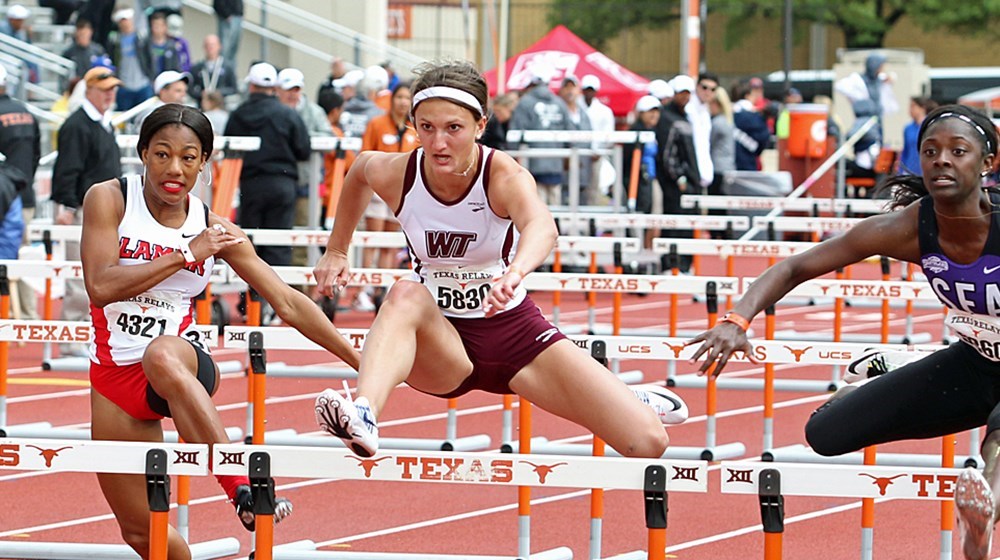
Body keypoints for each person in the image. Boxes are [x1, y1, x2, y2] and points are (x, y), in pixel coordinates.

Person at [311, 60, 688, 460]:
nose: (438, 143)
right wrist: (337, 249)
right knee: (405, 292)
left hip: (512, 332)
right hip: (440, 342)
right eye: (427, 128)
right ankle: (365, 414)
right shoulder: (398, 172)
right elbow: (358, 173)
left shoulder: (502, 174)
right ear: (414, 125)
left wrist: (516, 272)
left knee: (647, 442)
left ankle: (623, 396)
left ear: (480, 125)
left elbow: (542, 226)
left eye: (453, 128)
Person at [684, 104, 1000, 560]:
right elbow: (796, 266)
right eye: (930, 151)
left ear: (986, 163)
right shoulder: (909, 229)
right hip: (974, 363)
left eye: (958, 151)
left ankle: (981, 518)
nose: (942, 160)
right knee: (826, 434)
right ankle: (888, 372)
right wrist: (737, 319)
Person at [81, 103, 360, 560]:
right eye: (163, 154)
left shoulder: (214, 227)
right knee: (141, 534)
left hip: (181, 363)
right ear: (143, 153)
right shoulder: (109, 198)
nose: (175, 168)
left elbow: (288, 301)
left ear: (204, 164)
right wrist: (184, 254)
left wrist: (362, 362)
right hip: (113, 378)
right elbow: (100, 287)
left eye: (189, 158)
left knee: (161, 355)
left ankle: (243, 488)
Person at [51, 66, 123, 357]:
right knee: (80, 274)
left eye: (113, 89)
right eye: (105, 89)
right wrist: (67, 206)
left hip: (103, 211)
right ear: (89, 90)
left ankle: (88, 335)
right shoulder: (78, 125)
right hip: (82, 209)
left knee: (99, 275)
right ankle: (70, 338)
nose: (111, 94)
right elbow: (66, 169)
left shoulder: (103, 123)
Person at [223, 62, 310, 269]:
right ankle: (275, 299)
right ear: (273, 88)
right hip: (283, 182)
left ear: (251, 85)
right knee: (278, 244)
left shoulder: (238, 114)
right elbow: (304, 149)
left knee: (248, 245)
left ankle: (251, 297)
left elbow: (228, 147)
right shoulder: (287, 114)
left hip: (250, 183)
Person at [356, 82, 417, 309]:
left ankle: (383, 287)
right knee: (372, 238)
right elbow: (365, 153)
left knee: (390, 243)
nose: (403, 102)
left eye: (406, 98)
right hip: (376, 189)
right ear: (392, 100)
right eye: (399, 97)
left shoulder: (414, 128)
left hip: (401, 190)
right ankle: (364, 288)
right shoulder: (377, 124)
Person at [0, 63, 41, 320]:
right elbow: (37, 153)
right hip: (24, 193)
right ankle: (26, 315)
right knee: (19, 258)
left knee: (11, 259)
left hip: (6, 196)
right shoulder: (25, 111)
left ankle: (17, 317)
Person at [509, 67, 574, 206]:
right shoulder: (559, 103)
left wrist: (512, 159)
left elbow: (514, 133)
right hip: (556, 163)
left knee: (536, 206)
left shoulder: (525, 102)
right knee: (555, 206)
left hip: (532, 164)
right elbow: (570, 132)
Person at [621, 95, 660, 248]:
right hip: (637, 182)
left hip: (649, 179)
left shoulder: (654, 132)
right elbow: (628, 161)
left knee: (652, 215)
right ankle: (636, 249)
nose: (654, 115)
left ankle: (646, 247)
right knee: (638, 214)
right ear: (641, 113)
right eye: (650, 112)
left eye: (656, 112)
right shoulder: (635, 132)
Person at [108, 8, 154, 111]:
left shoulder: (141, 38)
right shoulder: (116, 41)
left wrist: (151, 76)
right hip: (124, 84)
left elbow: (150, 58)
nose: (125, 24)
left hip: (142, 83)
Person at [188, 34, 237, 105]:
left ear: (219, 46)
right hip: (201, 106)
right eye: (207, 45)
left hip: (221, 106)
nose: (210, 47)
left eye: (213, 45)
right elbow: (190, 89)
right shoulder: (197, 67)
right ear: (204, 47)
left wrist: (218, 93)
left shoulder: (227, 67)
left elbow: (233, 88)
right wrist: (201, 94)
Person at [898, 96, 937, 176]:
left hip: (925, 169)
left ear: (922, 108)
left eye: (913, 106)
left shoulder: (931, 126)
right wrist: (901, 170)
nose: (910, 110)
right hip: (910, 169)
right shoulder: (908, 128)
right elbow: (906, 150)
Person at [61, 18, 106, 86]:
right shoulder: (69, 52)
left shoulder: (98, 50)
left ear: (90, 33)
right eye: (81, 34)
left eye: (85, 34)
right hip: (77, 86)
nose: (83, 37)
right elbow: (63, 72)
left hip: (94, 85)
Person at [213, 0, 243, 66]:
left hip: (237, 16)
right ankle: (221, 70)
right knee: (224, 49)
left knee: (233, 49)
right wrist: (226, 14)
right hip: (227, 18)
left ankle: (229, 72)